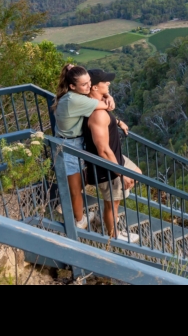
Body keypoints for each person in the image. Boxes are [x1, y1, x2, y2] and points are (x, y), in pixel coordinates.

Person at [82, 68, 142, 242]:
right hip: (107, 164)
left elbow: (107, 119)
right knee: (113, 202)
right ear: (93, 87)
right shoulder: (98, 115)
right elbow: (103, 150)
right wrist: (120, 173)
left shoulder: (99, 103)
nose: (108, 83)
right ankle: (113, 235)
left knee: (136, 174)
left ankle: (107, 220)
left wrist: (119, 122)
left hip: (116, 157)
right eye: (105, 81)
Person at [52, 64, 115, 229]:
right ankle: (80, 221)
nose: (88, 87)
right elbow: (107, 106)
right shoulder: (76, 100)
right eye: (84, 84)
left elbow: (95, 92)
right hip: (68, 146)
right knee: (75, 188)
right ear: (73, 86)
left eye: (89, 83)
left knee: (80, 182)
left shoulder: (71, 94)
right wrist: (108, 96)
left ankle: (69, 204)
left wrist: (106, 93)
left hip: (74, 142)